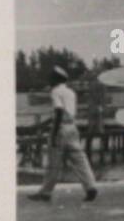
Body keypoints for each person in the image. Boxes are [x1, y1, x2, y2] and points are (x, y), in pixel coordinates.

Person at [28, 66, 98, 202]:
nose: (49, 80)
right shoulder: (71, 92)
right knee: (80, 159)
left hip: (61, 128)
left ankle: (45, 192)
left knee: (54, 162)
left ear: (56, 79)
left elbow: (59, 111)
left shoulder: (55, 92)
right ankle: (91, 186)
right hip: (72, 127)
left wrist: (54, 133)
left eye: (51, 78)